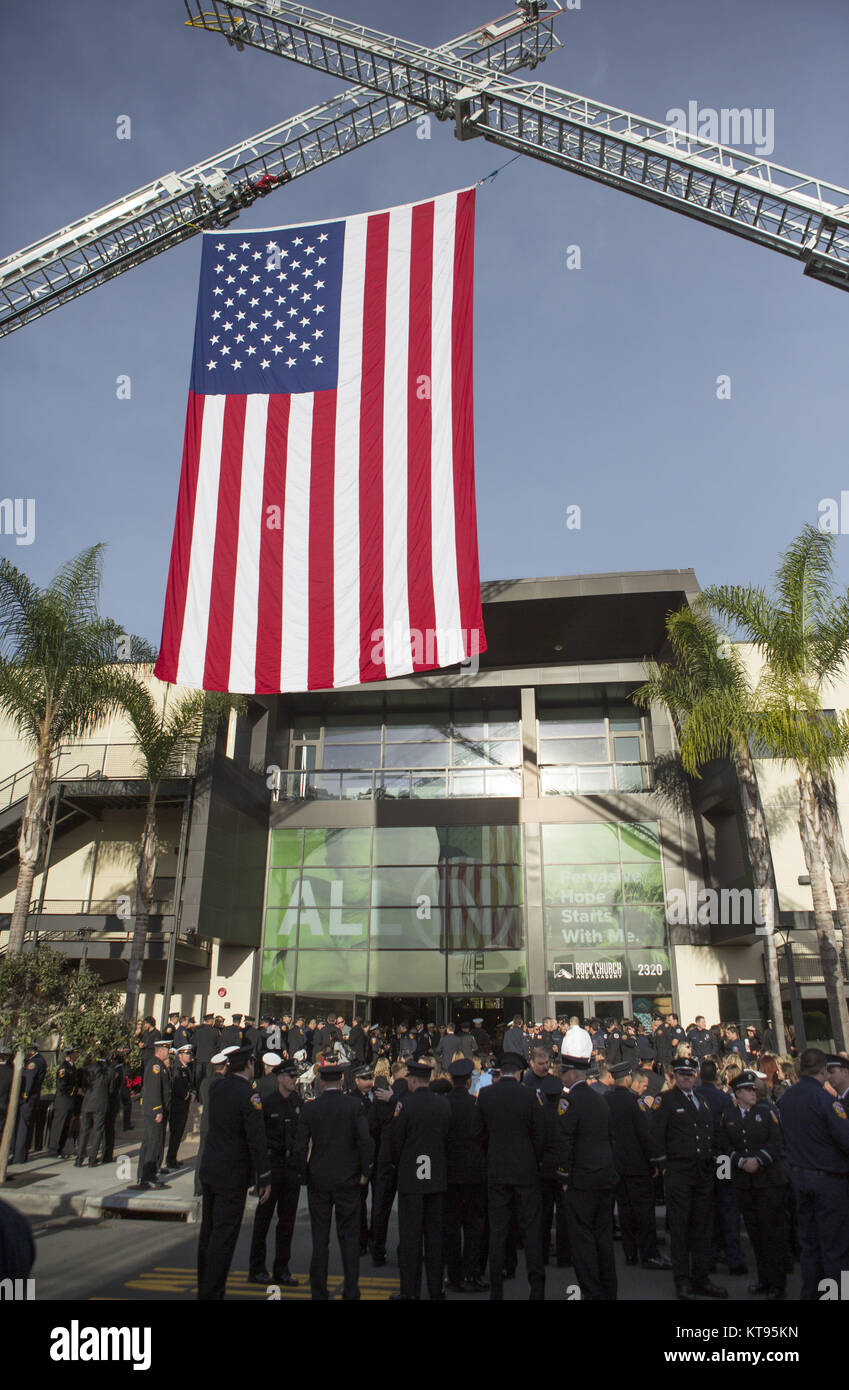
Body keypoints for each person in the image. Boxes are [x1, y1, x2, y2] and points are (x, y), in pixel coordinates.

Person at [197, 1045, 271, 1300]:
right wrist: (264, 1176)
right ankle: (213, 1292)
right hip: (232, 1174)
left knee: (208, 1233)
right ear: (249, 1064)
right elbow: (256, 1139)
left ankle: (204, 1288)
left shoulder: (217, 1087)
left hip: (211, 1169)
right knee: (224, 1237)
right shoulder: (249, 1095)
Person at [650, 1057, 727, 1301]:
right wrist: (664, 1167)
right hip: (679, 1172)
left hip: (702, 1173)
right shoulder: (666, 1100)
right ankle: (682, 1280)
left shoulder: (701, 1100)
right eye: (682, 1074)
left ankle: (701, 1277)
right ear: (674, 1075)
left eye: (690, 1074)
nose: (687, 1078)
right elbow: (656, 1135)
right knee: (681, 1229)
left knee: (702, 1228)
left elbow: (710, 1133)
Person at [295, 1063, 373, 1301]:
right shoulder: (354, 1105)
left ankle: (319, 1291)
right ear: (341, 1081)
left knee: (320, 1238)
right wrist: (365, 1171)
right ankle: (351, 1290)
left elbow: (300, 1146)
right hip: (348, 1178)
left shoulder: (311, 1108)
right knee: (349, 1238)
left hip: (319, 1178)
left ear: (321, 1083)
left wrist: (304, 1174)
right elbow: (365, 1141)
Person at [472, 1052, 546, 1301]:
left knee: (498, 1232)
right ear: (521, 1072)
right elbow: (540, 1135)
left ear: (500, 1071)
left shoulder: (486, 1095)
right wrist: (533, 1159)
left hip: (497, 1171)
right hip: (526, 1171)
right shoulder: (530, 1096)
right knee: (531, 1232)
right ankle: (537, 1290)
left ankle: (496, 1291)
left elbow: (477, 1134)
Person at [777, 1047, 849, 1300]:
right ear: (823, 1070)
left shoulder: (786, 1098)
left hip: (799, 1177)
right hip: (828, 1181)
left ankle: (811, 1294)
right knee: (836, 1248)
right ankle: (838, 1296)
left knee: (809, 1245)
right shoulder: (825, 1100)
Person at [554, 1027, 618, 1299]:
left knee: (583, 1242)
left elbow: (564, 1141)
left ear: (571, 1072)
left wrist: (563, 1176)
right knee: (603, 1239)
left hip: (581, 1181)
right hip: (604, 1176)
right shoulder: (600, 1099)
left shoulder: (569, 1101)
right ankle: (609, 1291)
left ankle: (592, 1292)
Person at [718, 1068, 788, 1300]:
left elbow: (776, 1143)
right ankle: (764, 1279)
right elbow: (725, 1145)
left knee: (771, 1233)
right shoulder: (729, 1116)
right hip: (745, 1183)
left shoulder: (766, 1113)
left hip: (767, 1181)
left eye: (753, 1089)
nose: (753, 1093)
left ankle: (777, 1283)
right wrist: (739, 1161)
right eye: (748, 1090)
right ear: (737, 1093)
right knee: (755, 1233)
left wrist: (758, 1160)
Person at [388, 1060, 451, 1300]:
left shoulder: (405, 1105)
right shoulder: (443, 1104)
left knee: (410, 1240)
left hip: (411, 1181)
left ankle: (409, 1291)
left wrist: (401, 1164)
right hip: (436, 1179)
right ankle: (436, 1290)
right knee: (435, 1239)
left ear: (412, 1081)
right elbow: (448, 1138)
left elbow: (396, 1140)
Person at [604, 1062, 669, 1271]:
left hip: (616, 1165)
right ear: (628, 1078)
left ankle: (630, 1252)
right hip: (637, 1166)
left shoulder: (606, 1100)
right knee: (644, 1212)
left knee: (625, 1211)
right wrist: (656, 1161)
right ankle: (649, 1254)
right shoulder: (635, 1103)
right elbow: (644, 1134)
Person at [249, 1061, 302, 1286]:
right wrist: (261, 1174)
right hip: (272, 1166)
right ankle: (257, 1269)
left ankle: (282, 1269)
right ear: (279, 1077)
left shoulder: (298, 1102)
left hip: (291, 1169)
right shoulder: (267, 1103)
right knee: (263, 1220)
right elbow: (258, 1140)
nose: (294, 1080)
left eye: (295, 1077)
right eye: (290, 1076)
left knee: (287, 1222)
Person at [696, 1060, 746, 1276]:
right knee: (727, 1204)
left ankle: (710, 1255)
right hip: (722, 1158)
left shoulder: (695, 1097)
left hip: (704, 1158)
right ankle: (734, 1256)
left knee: (707, 1206)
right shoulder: (725, 1099)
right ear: (716, 1076)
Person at [443, 1058, 487, 1293]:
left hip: (449, 1175)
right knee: (473, 1226)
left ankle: (454, 1275)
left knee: (451, 1227)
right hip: (473, 1174)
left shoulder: (444, 1104)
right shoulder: (476, 1105)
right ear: (469, 1081)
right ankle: (472, 1273)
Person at [134, 1038, 172, 1190]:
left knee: (149, 1142)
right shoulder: (156, 1066)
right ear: (161, 1050)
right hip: (154, 1111)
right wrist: (158, 1110)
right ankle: (147, 1176)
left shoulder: (158, 1065)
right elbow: (154, 1089)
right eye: (167, 1050)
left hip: (154, 1110)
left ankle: (143, 1175)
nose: (168, 1053)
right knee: (153, 1144)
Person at [12, 1045, 47, 1165]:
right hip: (32, 1099)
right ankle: (22, 1154)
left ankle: (19, 1156)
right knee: (26, 1126)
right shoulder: (38, 1060)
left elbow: (29, 1081)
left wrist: (24, 1096)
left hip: (28, 1099)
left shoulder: (34, 1062)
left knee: (23, 1127)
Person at [75, 1056, 111, 1167]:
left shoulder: (87, 1070)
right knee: (97, 1132)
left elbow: (83, 1087)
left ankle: (79, 1159)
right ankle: (92, 1159)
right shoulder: (107, 1071)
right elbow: (111, 1088)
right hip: (100, 1104)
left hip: (87, 1102)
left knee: (84, 1131)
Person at [164, 1044, 195, 1170]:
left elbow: (189, 1084)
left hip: (183, 1105)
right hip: (177, 1106)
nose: (189, 1056)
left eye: (190, 1053)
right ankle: (170, 1160)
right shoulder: (178, 1069)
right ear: (180, 1055)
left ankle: (173, 1157)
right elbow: (177, 1087)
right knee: (176, 1134)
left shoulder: (186, 1068)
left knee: (179, 1134)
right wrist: (188, 1096)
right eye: (187, 1053)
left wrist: (192, 1093)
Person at [47, 1048, 80, 1158]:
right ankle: (54, 1149)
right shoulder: (64, 1068)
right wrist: (75, 1090)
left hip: (69, 1101)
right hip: (63, 1100)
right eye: (76, 1053)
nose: (77, 1055)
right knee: (59, 1125)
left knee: (65, 1126)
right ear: (70, 1054)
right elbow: (62, 1085)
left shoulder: (72, 1067)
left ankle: (60, 1149)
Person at [191, 1014, 219, 1093]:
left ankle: (198, 1094)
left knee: (199, 1078)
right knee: (208, 1078)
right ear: (211, 1021)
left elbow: (194, 1044)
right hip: (210, 1058)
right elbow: (218, 1045)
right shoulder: (215, 1031)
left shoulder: (198, 1031)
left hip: (199, 1058)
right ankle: (206, 1093)